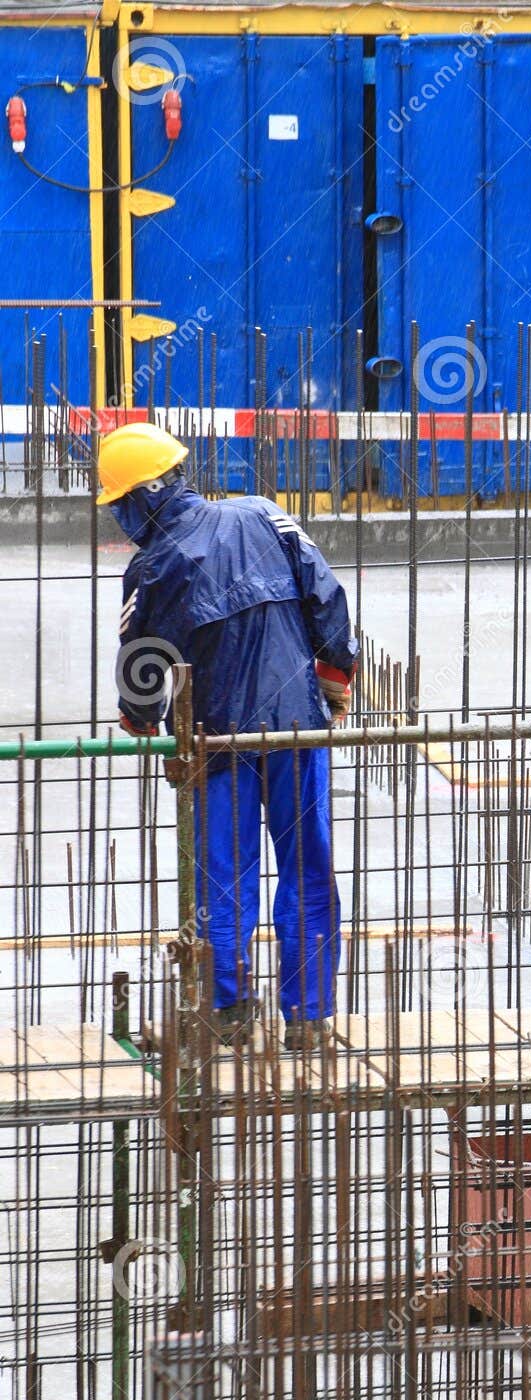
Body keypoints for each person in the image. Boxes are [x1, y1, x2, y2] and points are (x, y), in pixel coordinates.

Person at [99, 422, 359, 1050]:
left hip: (215, 744)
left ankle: (229, 1010)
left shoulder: (151, 569)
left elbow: (141, 666)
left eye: (118, 505)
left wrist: (143, 723)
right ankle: (308, 1019)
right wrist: (333, 682)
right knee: (308, 867)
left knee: (222, 877)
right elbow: (328, 599)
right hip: (296, 729)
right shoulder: (265, 515)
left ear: (141, 497)